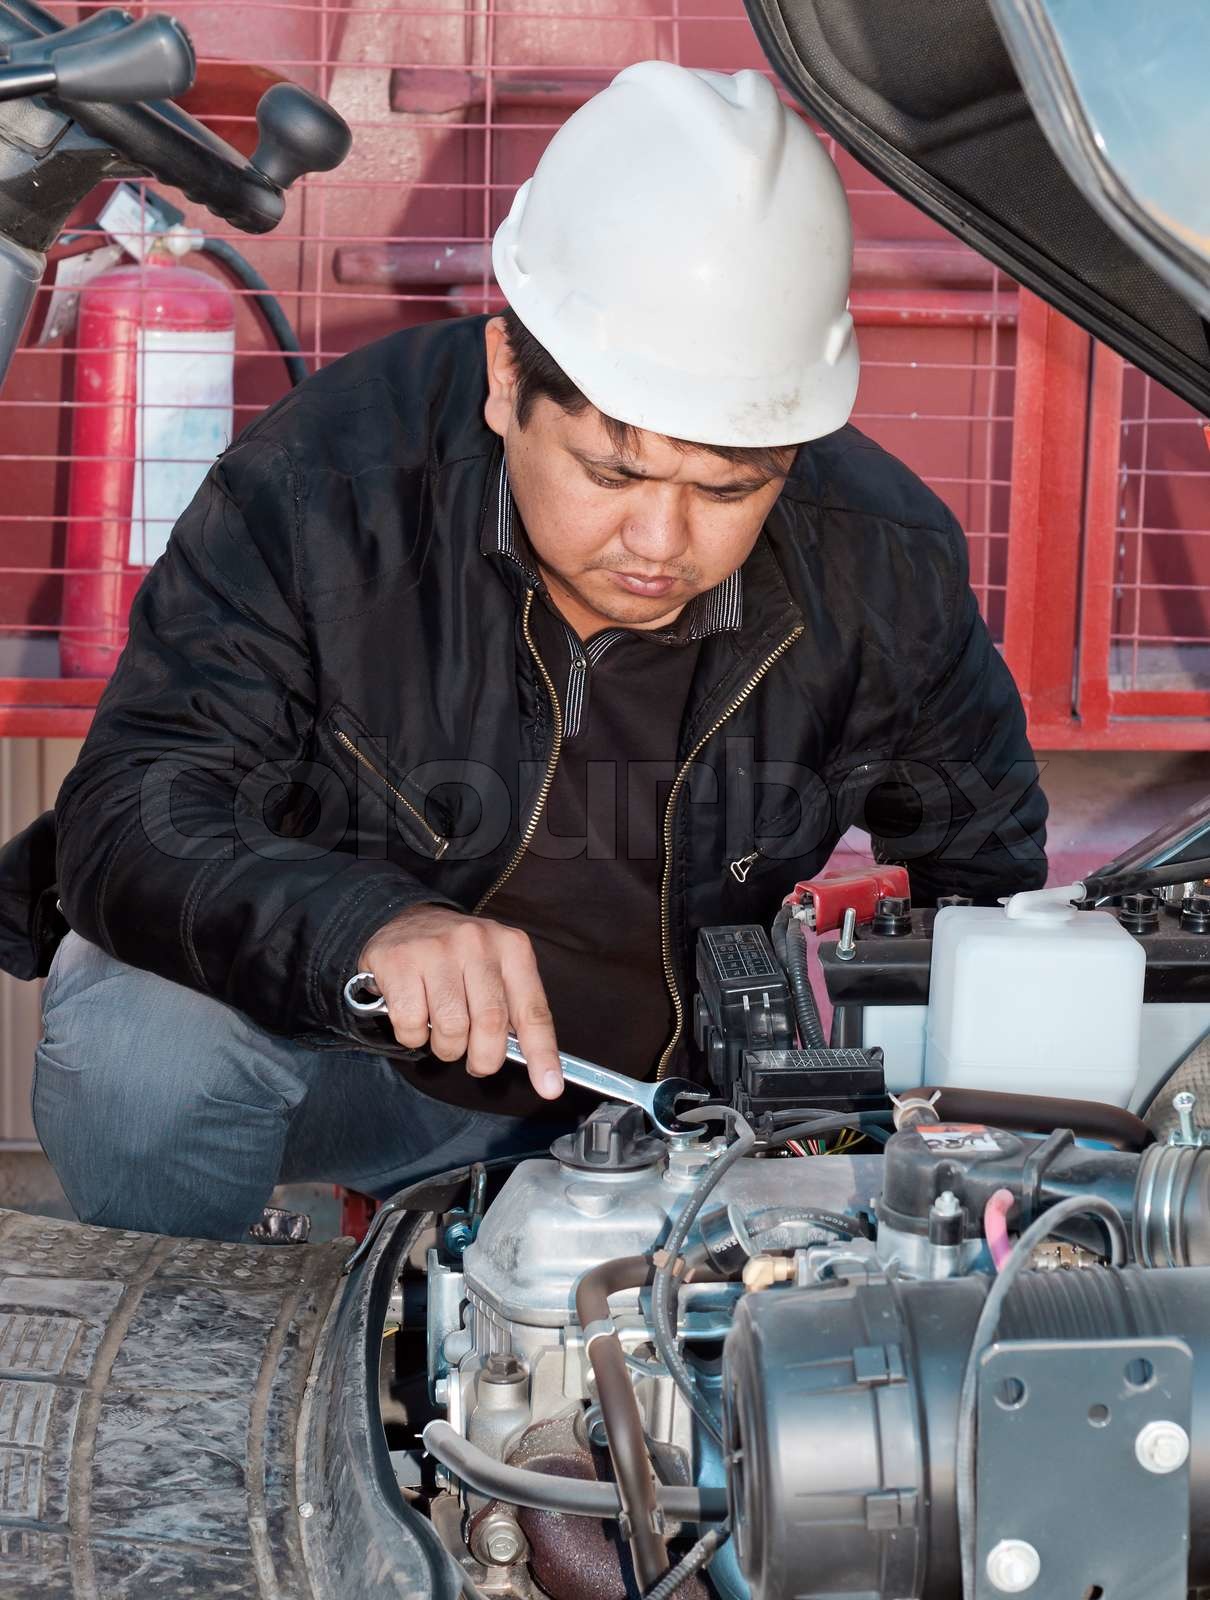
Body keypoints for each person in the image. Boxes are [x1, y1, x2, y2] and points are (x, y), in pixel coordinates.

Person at [27, 61, 1047, 1240]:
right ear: (509, 375)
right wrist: (362, 927)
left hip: (684, 1111)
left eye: (728, 487)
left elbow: (992, 884)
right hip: (369, 1070)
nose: (660, 542)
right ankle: (180, 1376)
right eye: (614, 471)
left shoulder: (881, 561)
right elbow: (131, 815)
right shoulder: (325, 489)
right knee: (136, 1039)